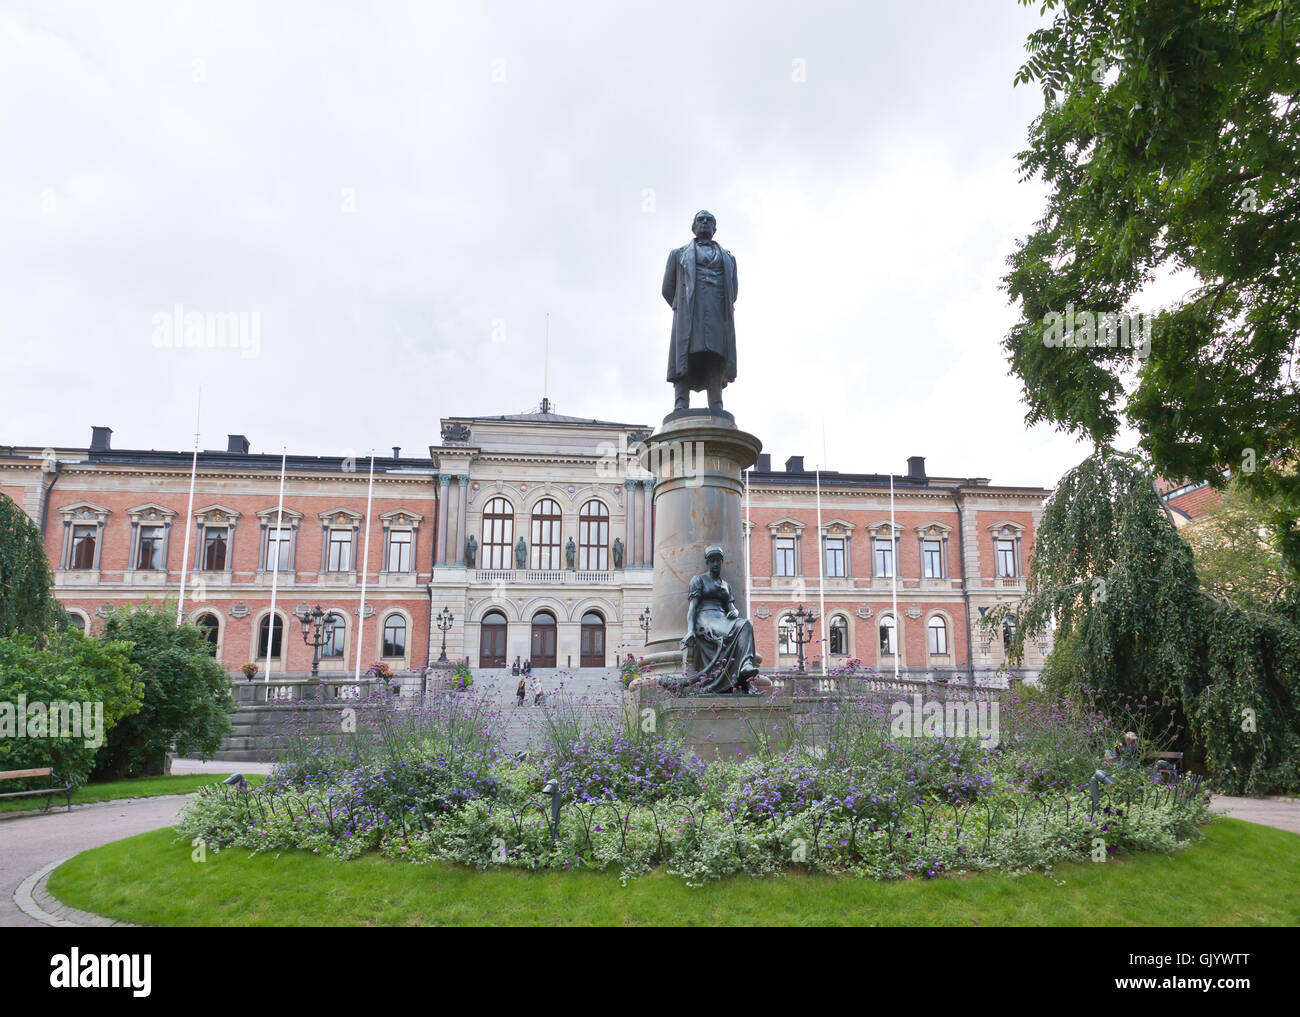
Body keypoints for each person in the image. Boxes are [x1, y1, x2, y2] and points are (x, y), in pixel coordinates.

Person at [660, 545, 760, 696]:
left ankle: (745, 666)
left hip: (722, 618)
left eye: (718, 561)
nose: (715, 564)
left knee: (746, 624)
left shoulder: (726, 585)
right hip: (705, 618)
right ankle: (738, 671)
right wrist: (691, 630)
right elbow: (692, 607)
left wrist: (734, 611)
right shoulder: (698, 580)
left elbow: (731, 607)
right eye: (712, 561)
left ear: (722, 562)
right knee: (737, 628)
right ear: (707, 562)